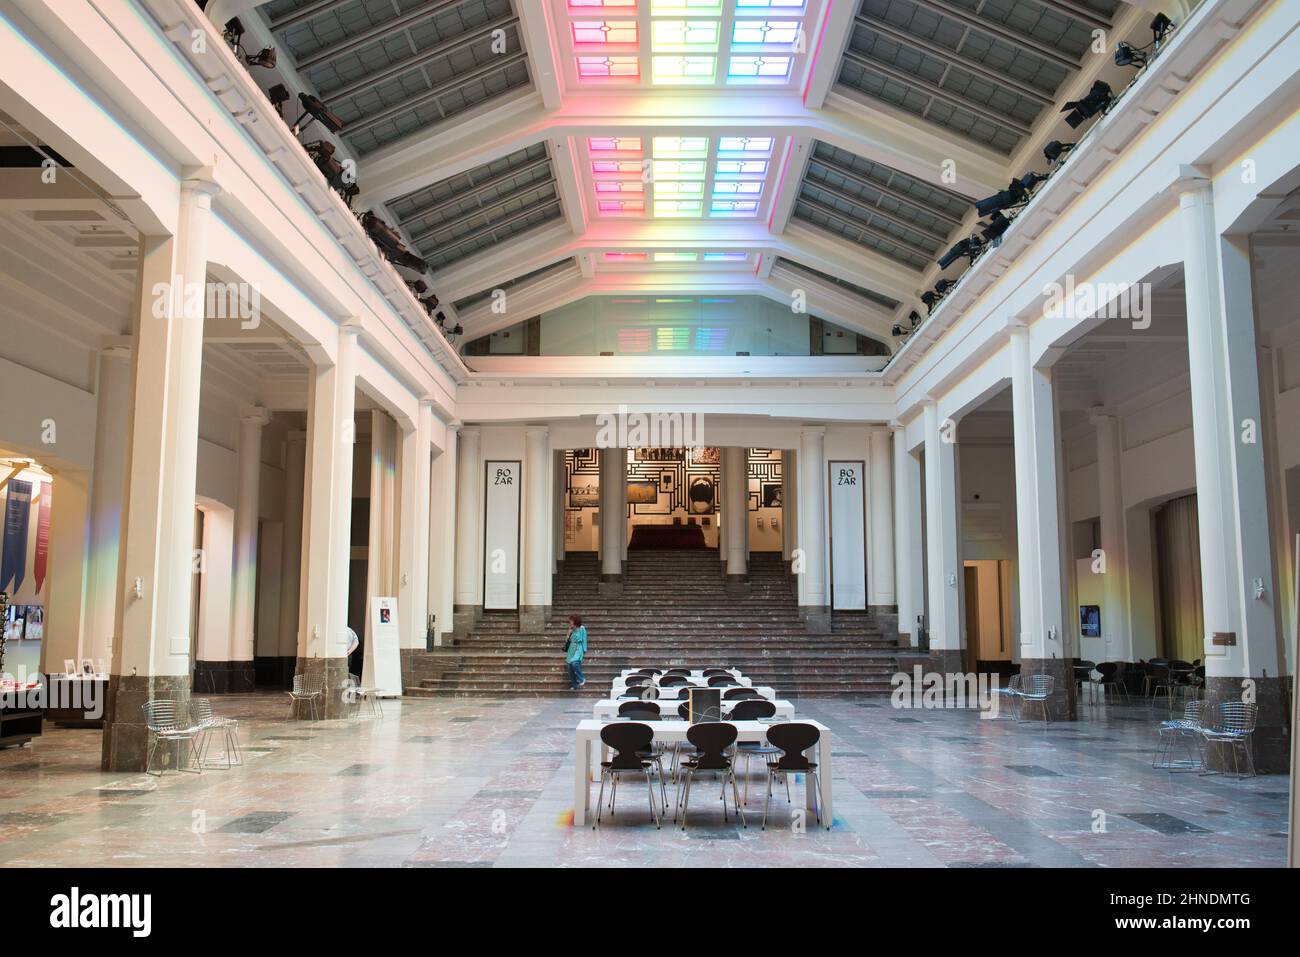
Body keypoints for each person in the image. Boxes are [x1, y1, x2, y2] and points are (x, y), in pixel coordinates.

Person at [564, 615, 587, 690]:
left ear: (575, 621)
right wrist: (568, 633)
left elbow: (584, 639)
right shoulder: (571, 629)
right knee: (569, 667)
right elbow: (567, 640)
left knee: (574, 663)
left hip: (578, 648)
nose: (570, 623)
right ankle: (575, 685)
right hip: (571, 648)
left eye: (571, 621)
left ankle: (582, 678)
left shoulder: (582, 628)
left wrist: (584, 649)